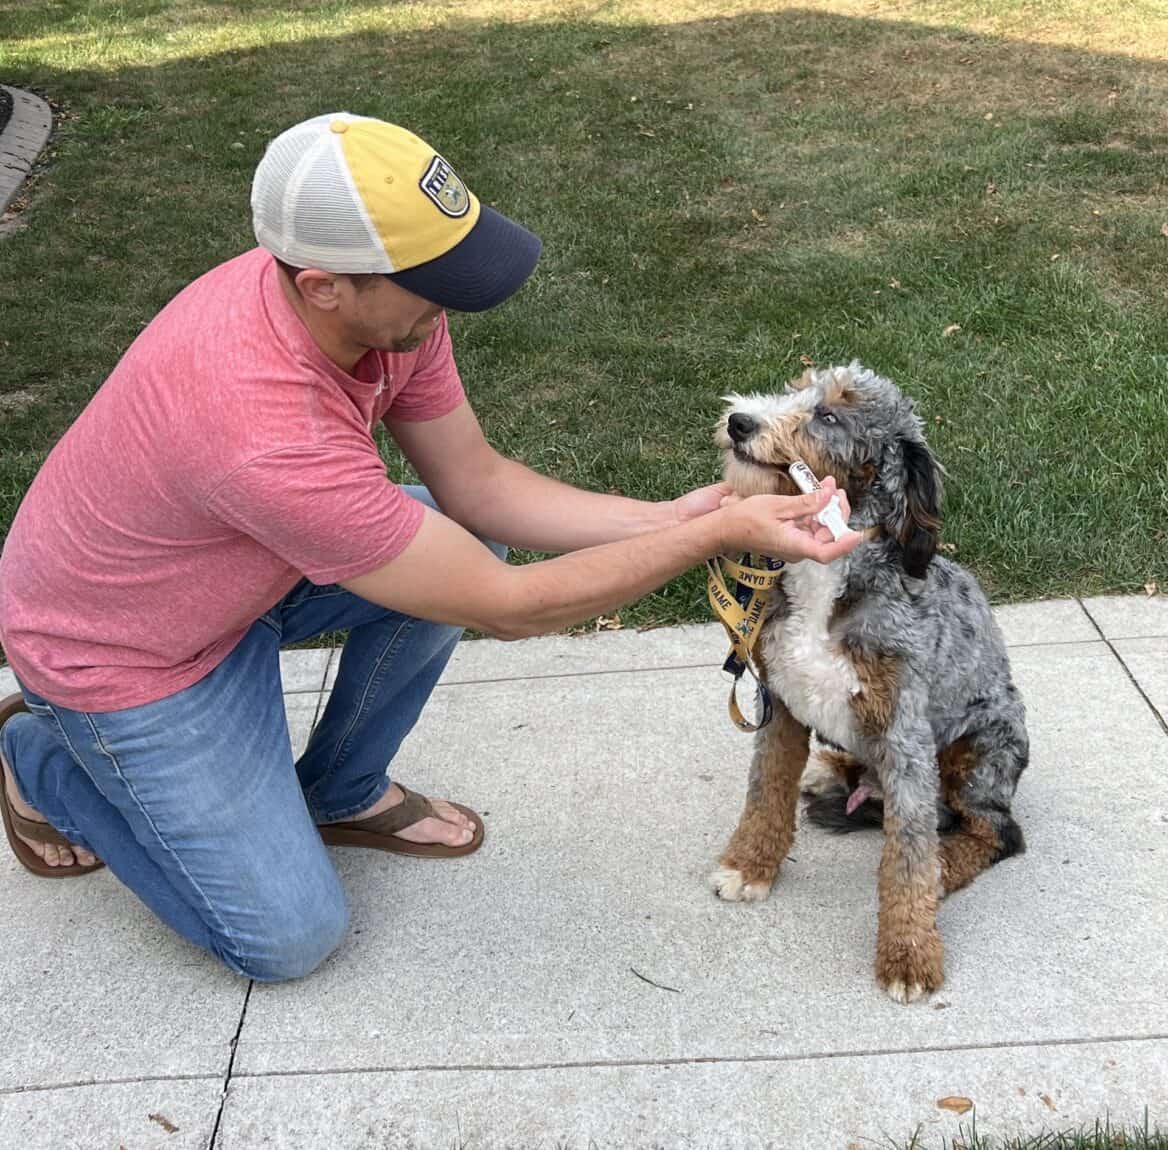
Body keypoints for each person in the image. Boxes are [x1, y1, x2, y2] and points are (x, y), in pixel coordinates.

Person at [0, 113, 859, 981]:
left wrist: (675, 516)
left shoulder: (379, 311)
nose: (449, 301)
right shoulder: (259, 425)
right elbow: (510, 607)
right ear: (324, 285)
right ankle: (41, 760)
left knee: (461, 533)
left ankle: (339, 789)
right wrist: (716, 535)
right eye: (428, 281)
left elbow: (477, 485)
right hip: (126, 656)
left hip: (242, 570)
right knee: (284, 939)